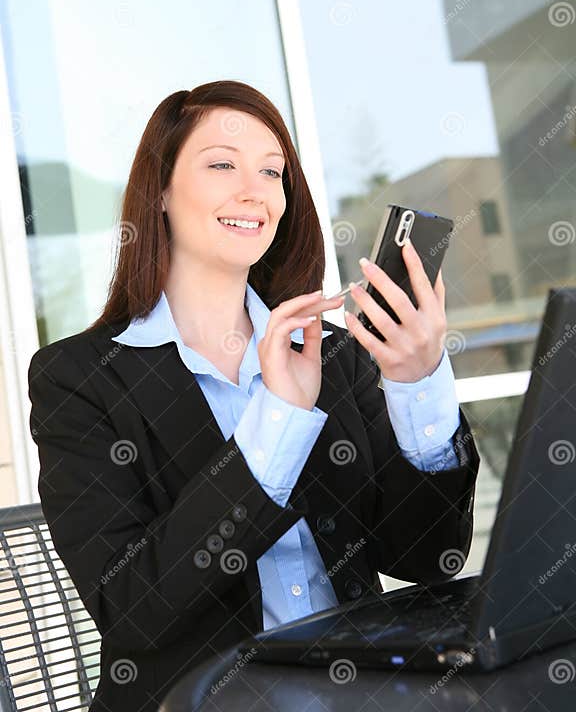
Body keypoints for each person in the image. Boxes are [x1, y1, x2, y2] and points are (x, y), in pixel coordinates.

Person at [28, 80, 479, 712]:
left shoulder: (335, 354)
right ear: (159, 190)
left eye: (272, 172)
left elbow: (428, 556)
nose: (255, 191)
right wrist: (280, 418)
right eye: (221, 164)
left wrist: (417, 384)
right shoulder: (79, 377)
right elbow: (134, 610)